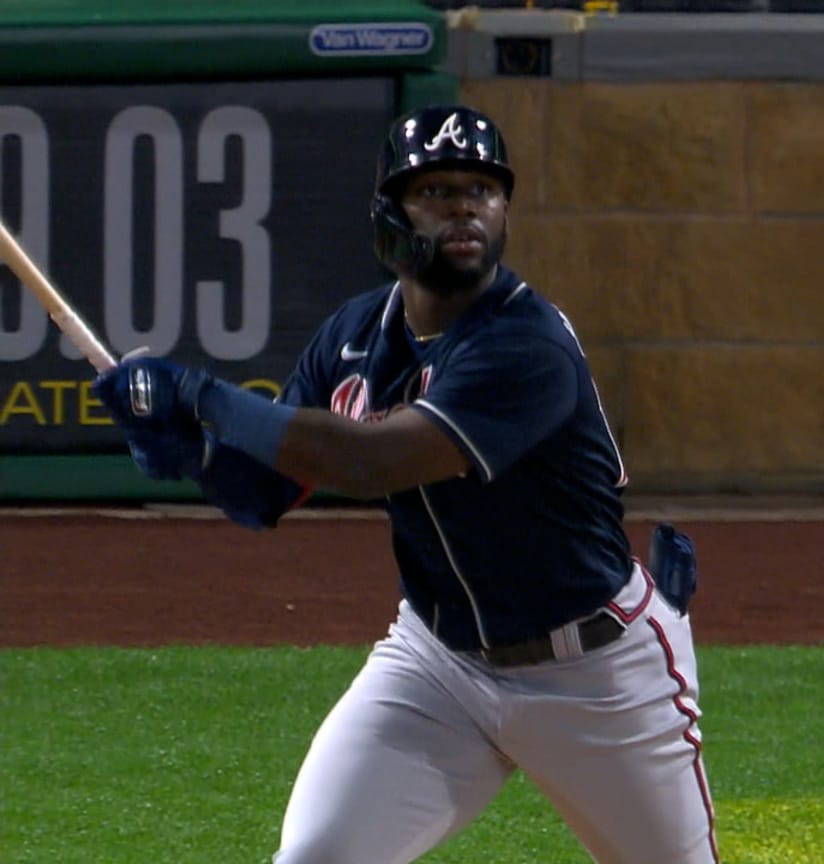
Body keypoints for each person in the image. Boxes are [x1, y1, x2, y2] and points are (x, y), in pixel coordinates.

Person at [90, 105, 719, 864]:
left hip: (597, 675)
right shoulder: (355, 335)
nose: (463, 205)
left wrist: (202, 398)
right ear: (388, 215)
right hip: (439, 666)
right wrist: (190, 454)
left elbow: (373, 461)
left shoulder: (526, 342)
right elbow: (263, 495)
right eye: (436, 190)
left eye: (482, 189)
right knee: (316, 857)